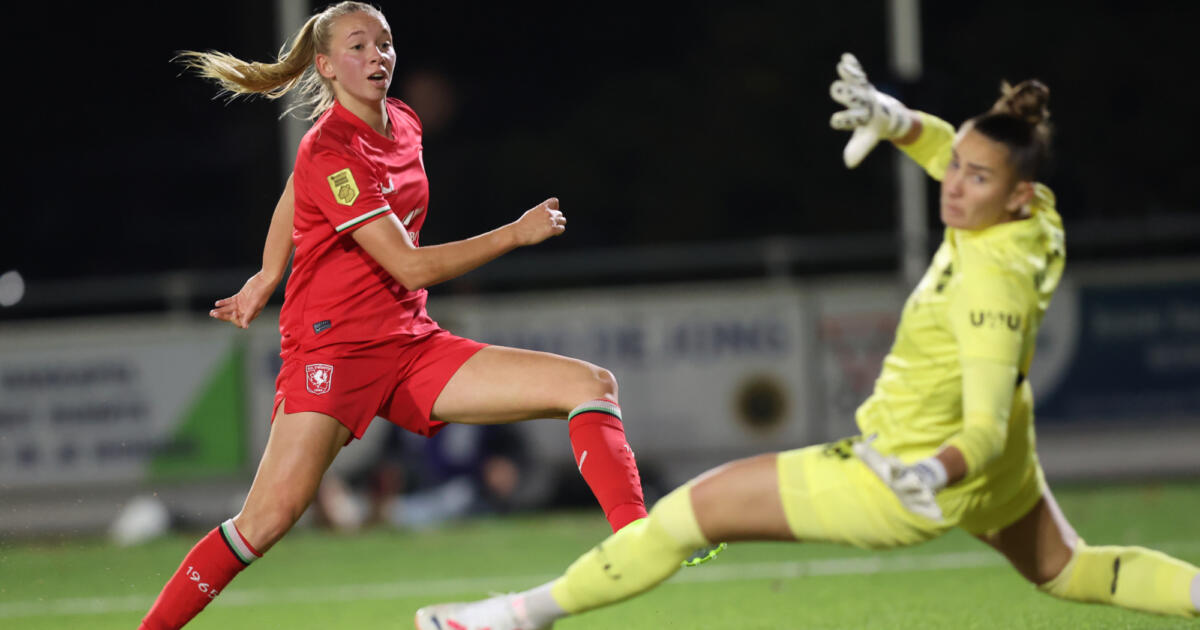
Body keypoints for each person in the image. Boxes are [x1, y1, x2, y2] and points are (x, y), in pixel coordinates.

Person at [412, 53, 1200, 630]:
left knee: (693, 512)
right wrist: (901, 125)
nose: (954, 186)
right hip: (995, 465)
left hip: (916, 465)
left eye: (975, 178)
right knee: (1065, 569)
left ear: (1016, 193)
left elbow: (984, 429)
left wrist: (931, 468)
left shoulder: (993, 280)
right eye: (954, 167)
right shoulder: (1038, 215)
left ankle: (511, 618)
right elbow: (953, 153)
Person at [139, 3, 653, 628]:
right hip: (333, 354)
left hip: (410, 345)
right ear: (326, 66)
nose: (377, 55)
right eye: (358, 46)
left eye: (384, 43)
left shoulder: (402, 122)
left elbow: (292, 194)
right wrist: (514, 235)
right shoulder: (330, 148)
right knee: (263, 525)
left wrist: (268, 273)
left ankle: (640, 543)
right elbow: (407, 266)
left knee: (590, 385)